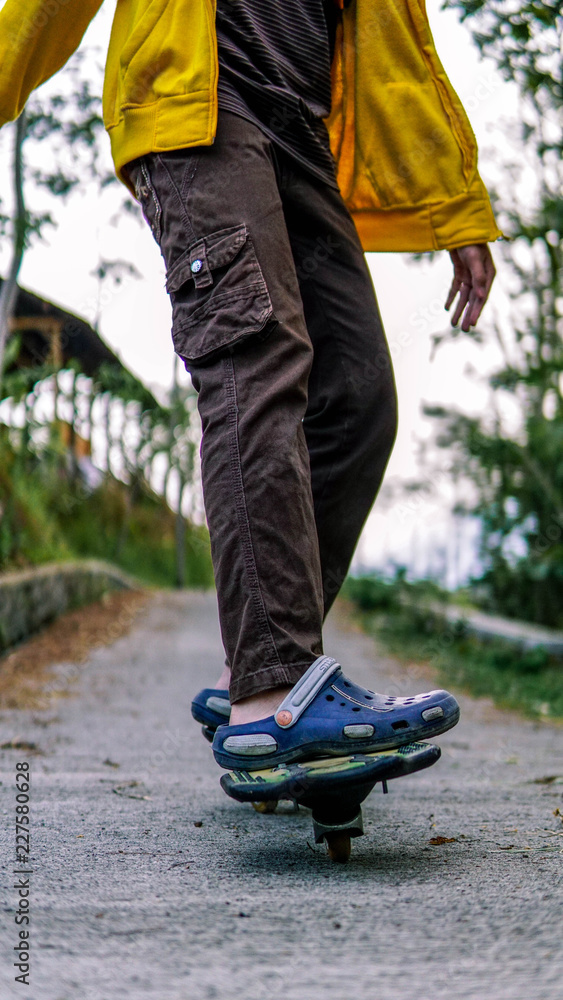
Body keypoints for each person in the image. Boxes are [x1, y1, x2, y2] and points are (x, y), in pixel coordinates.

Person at [0, 0, 499, 770]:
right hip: (201, 111)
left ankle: (255, 670)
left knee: (359, 400)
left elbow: (397, 42)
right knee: (254, 357)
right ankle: (272, 694)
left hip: (304, 131)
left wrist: (455, 202)